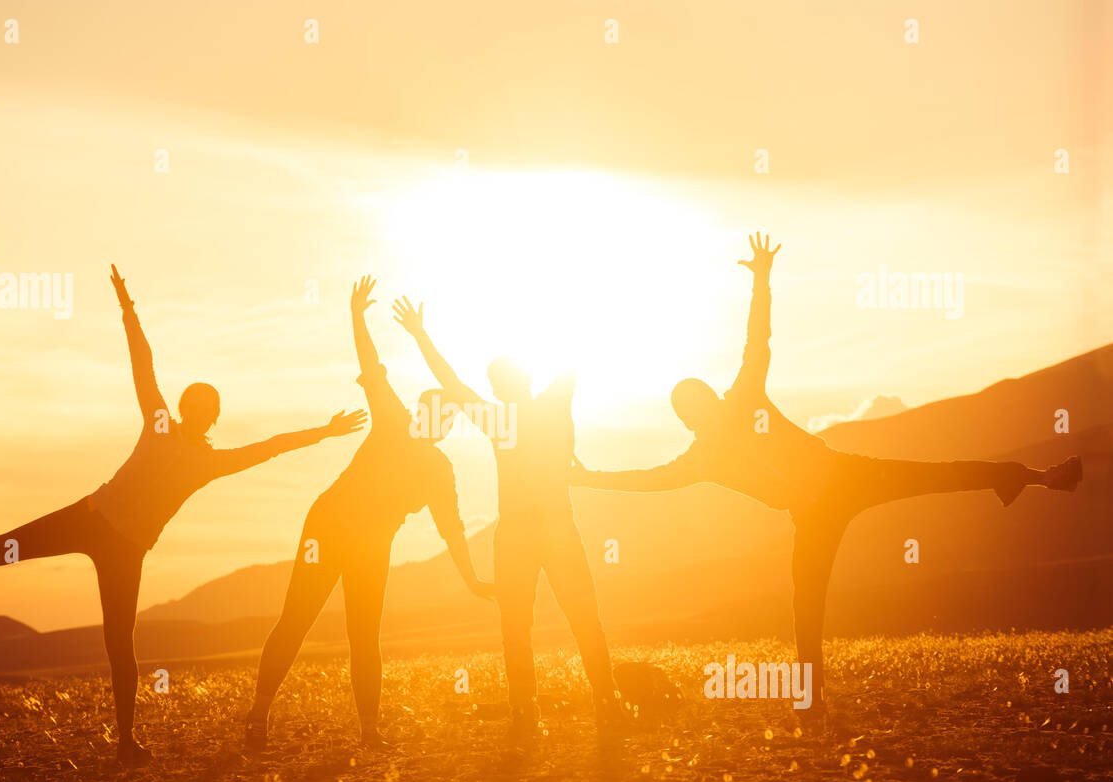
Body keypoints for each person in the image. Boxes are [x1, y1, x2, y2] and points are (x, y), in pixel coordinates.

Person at [0, 265, 366, 766]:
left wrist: (323, 431)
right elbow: (142, 365)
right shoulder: (161, 423)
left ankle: (126, 742)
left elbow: (270, 447)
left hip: (125, 551)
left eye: (208, 407)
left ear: (211, 417)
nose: (200, 410)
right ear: (187, 408)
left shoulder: (210, 462)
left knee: (120, 644)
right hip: (89, 517)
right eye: (197, 403)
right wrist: (128, 309)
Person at [573, 233, 1083, 722]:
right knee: (807, 600)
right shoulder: (703, 457)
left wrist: (762, 280)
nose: (699, 415)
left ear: (706, 401)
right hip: (814, 514)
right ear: (688, 419)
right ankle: (811, 698)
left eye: (698, 405)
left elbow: (758, 341)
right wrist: (587, 476)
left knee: (938, 476)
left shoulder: (743, 398)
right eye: (691, 412)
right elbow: (649, 479)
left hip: (848, 475)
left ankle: (1042, 476)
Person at [245, 276, 493, 750]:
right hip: (328, 527)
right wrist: (356, 315)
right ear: (423, 415)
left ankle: (369, 731)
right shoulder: (395, 422)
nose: (440, 424)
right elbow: (372, 367)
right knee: (296, 621)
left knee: (365, 634)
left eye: (447, 419)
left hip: (371, 545)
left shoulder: (439, 469)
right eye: (437, 415)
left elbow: (452, 531)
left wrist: (473, 580)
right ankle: (258, 715)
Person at [393, 295, 624, 744]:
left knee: (571, 619)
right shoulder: (519, 413)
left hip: (546, 527)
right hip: (531, 529)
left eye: (502, 380)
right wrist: (421, 336)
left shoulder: (521, 412)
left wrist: (421, 335)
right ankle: (536, 711)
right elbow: (454, 384)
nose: (500, 387)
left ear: (515, 382)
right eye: (497, 382)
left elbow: (456, 384)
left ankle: (599, 702)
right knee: (529, 625)